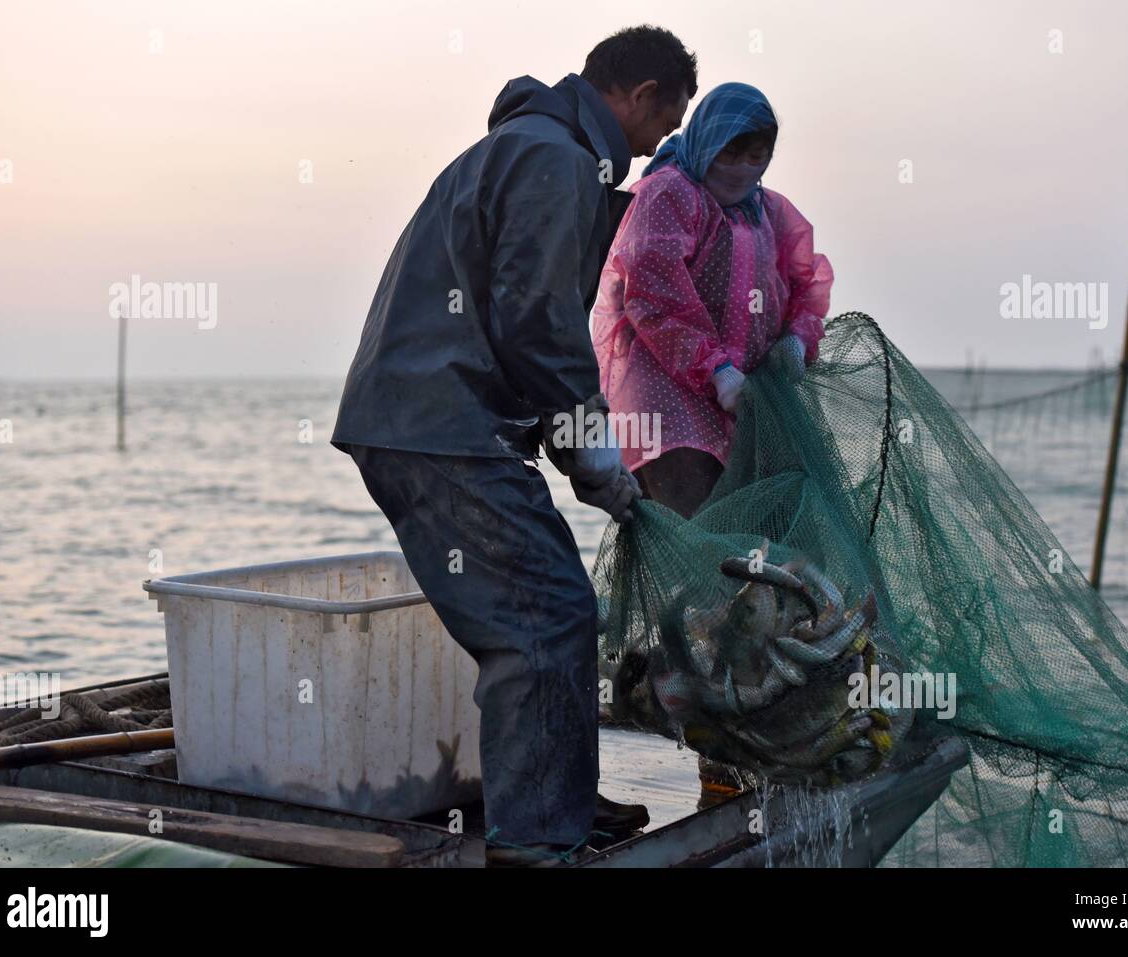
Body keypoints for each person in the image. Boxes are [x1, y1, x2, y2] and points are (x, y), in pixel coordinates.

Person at [330, 26, 696, 868]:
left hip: (432, 414)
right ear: (640, 97)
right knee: (544, 613)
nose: (661, 144)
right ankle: (533, 837)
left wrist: (571, 439)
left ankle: (556, 799)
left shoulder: (533, 144)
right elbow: (536, 320)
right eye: (665, 123)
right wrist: (589, 445)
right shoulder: (554, 157)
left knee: (554, 602)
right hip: (437, 422)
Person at [590, 81, 834, 800]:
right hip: (667, 404)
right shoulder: (670, 194)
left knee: (761, 574)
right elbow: (652, 288)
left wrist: (797, 340)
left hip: (739, 408)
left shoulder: (771, 213)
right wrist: (714, 365)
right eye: (735, 150)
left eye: (759, 154)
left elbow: (808, 285)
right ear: (707, 140)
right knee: (711, 567)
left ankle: (755, 737)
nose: (746, 166)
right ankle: (719, 753)